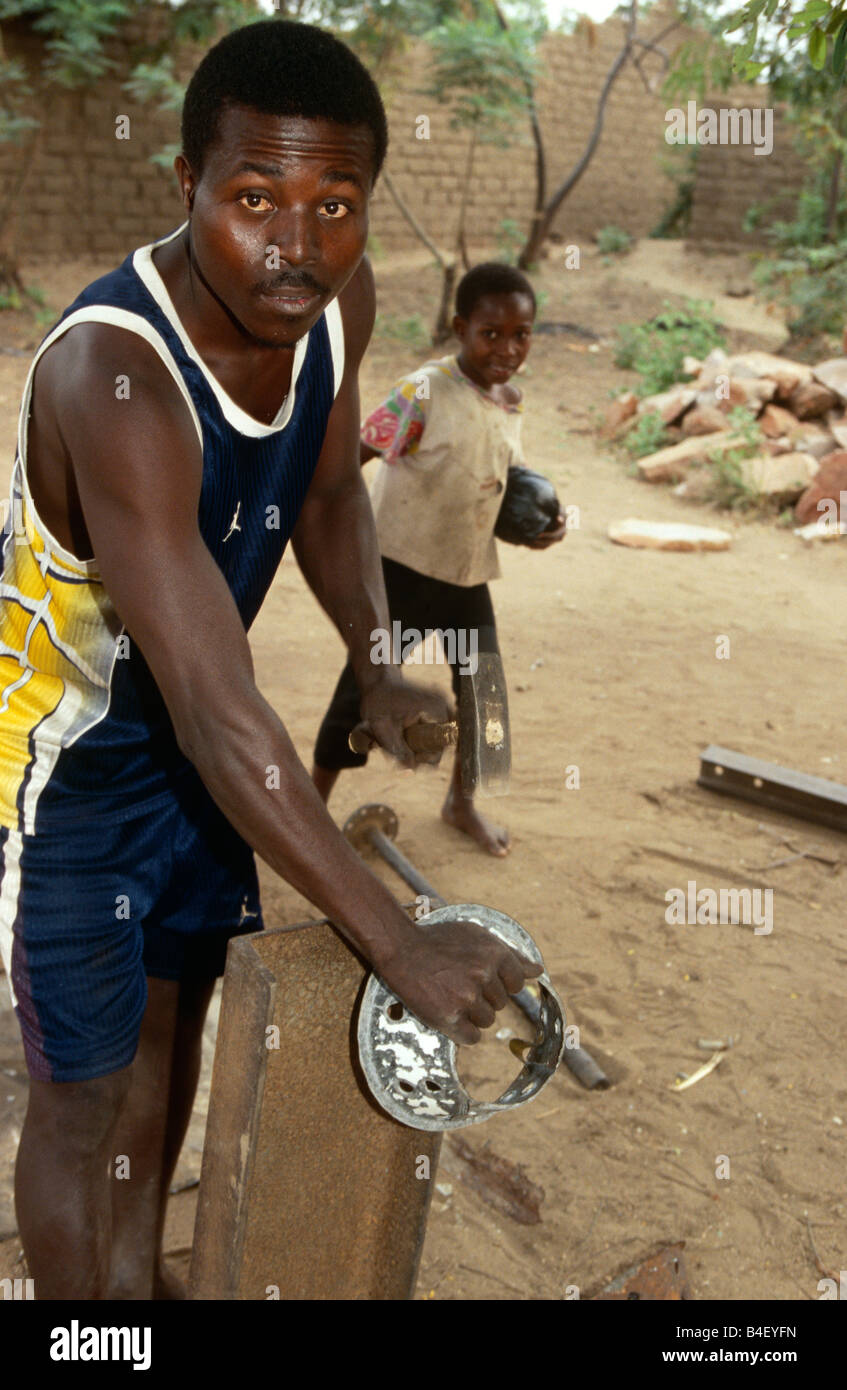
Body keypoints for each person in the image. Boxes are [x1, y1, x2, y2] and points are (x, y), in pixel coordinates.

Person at [0, 20, 540, 1301]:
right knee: (81, 1097)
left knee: (175, 1037)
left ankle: (134, 1290)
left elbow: (328, 498)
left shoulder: (331, 306)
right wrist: (398, 940)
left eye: (333, 203)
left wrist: (377, 654)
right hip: (66, 769)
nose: (296, 244)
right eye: (253, 200)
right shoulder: (113, 375)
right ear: (182, 184)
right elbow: (209, 700)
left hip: (202, 747)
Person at [312, 263, 566, 856]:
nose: (507, 347)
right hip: (396, 572)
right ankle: (311, 812)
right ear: (460, 327)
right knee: (360, 694)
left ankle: (461, 803)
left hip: (464, 574)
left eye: (522, 334)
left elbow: (504, 481)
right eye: (491, 333)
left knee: (486, 696)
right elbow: (351, 459)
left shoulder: (511, 401)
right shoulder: (424, 390)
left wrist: (537, 525)